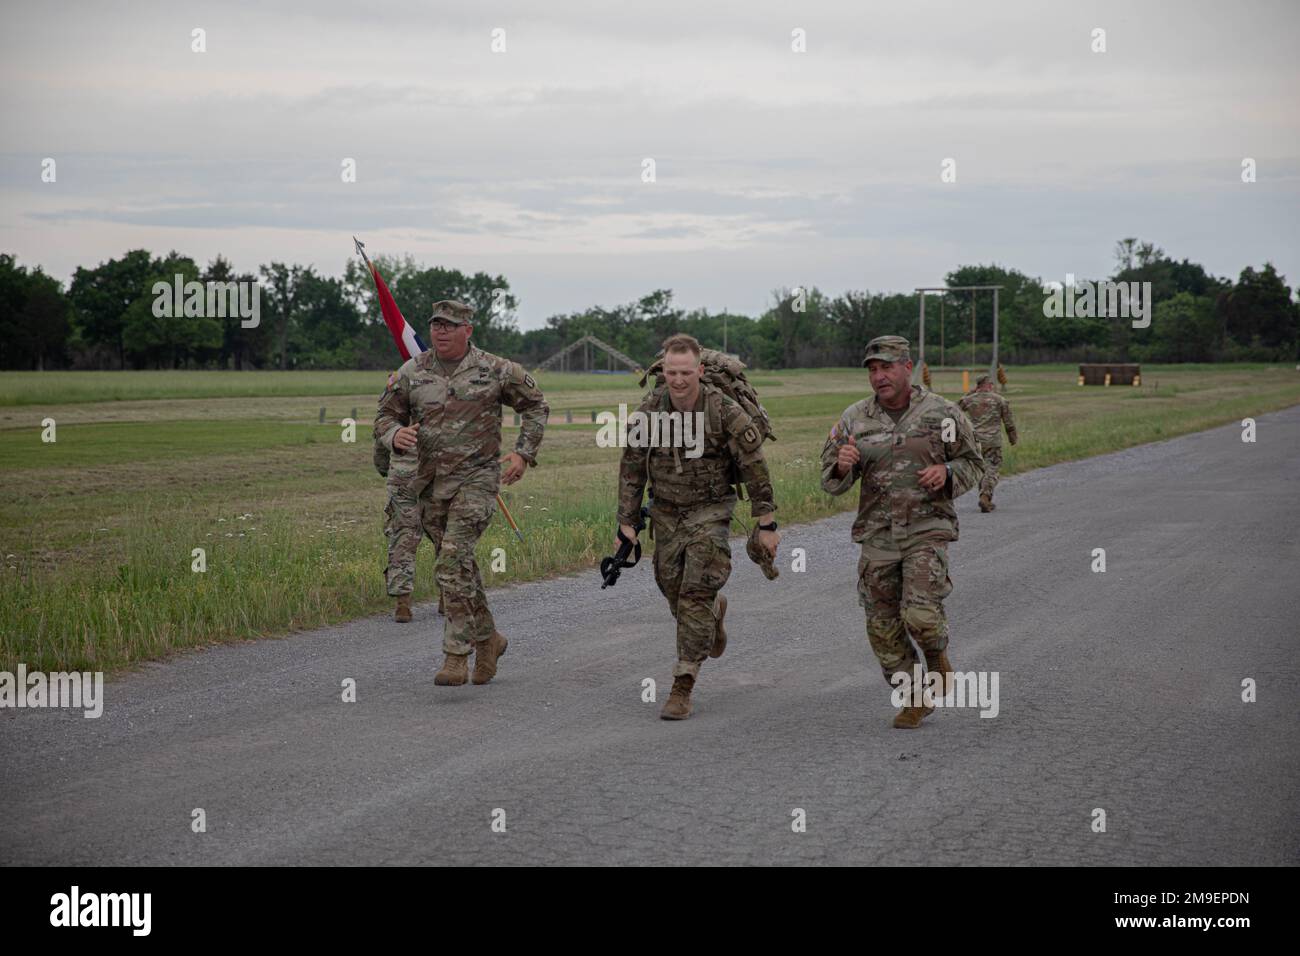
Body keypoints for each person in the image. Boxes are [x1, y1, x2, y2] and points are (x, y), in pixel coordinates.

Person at [375, 300, 548, 686]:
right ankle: (489, 638)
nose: (441, 331)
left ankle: (456, 654)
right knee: (461, 567)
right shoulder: (412, 371)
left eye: (450, 325)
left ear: (468, 330)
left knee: (451, 561)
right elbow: (385, 414)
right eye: (436, 324)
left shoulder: (495, 369)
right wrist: (393, 435)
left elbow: (536, 405)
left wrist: (524, 453)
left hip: (477, 480)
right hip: (430, 484)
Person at [820, 336, 984, 728]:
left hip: (927, 528)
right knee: (881, 626)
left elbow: (973, 464)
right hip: (877, 534)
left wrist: (947, 473)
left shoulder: (944, 414)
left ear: (908, 367)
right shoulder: (853, 419)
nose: (879, 376)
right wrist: (842, 466)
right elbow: (830, 479)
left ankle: (935, 652)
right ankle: (914, 696)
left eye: (887, 367)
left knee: (921, 615)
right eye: (873, 370)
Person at [616, 333, 779, 720]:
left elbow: (755, 466)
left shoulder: (723, 410)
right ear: (662, 372)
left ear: (700, 371)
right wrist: (627, 520)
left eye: (685, 372)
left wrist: (767, 521)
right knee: (671, 587)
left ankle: (683, 683)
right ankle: (714, 613)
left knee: (694, 593)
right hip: (667, 512)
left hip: (711, 510)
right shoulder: (650, 410)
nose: (678, 379)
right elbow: (632, 466)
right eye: (671, 372)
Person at [958, 374, 1019, 512]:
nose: (992, 386)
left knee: (981, 469)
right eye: (991, 384)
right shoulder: (999, 400)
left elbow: (954, 409)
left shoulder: (969, 400)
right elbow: (1008, 421)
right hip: (992, 441)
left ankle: (984, 498)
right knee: (992, 468)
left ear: (977, 386)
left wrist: (969, 394)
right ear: (988, 384)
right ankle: (985, 496)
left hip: (974, 441)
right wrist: (1012, 437)